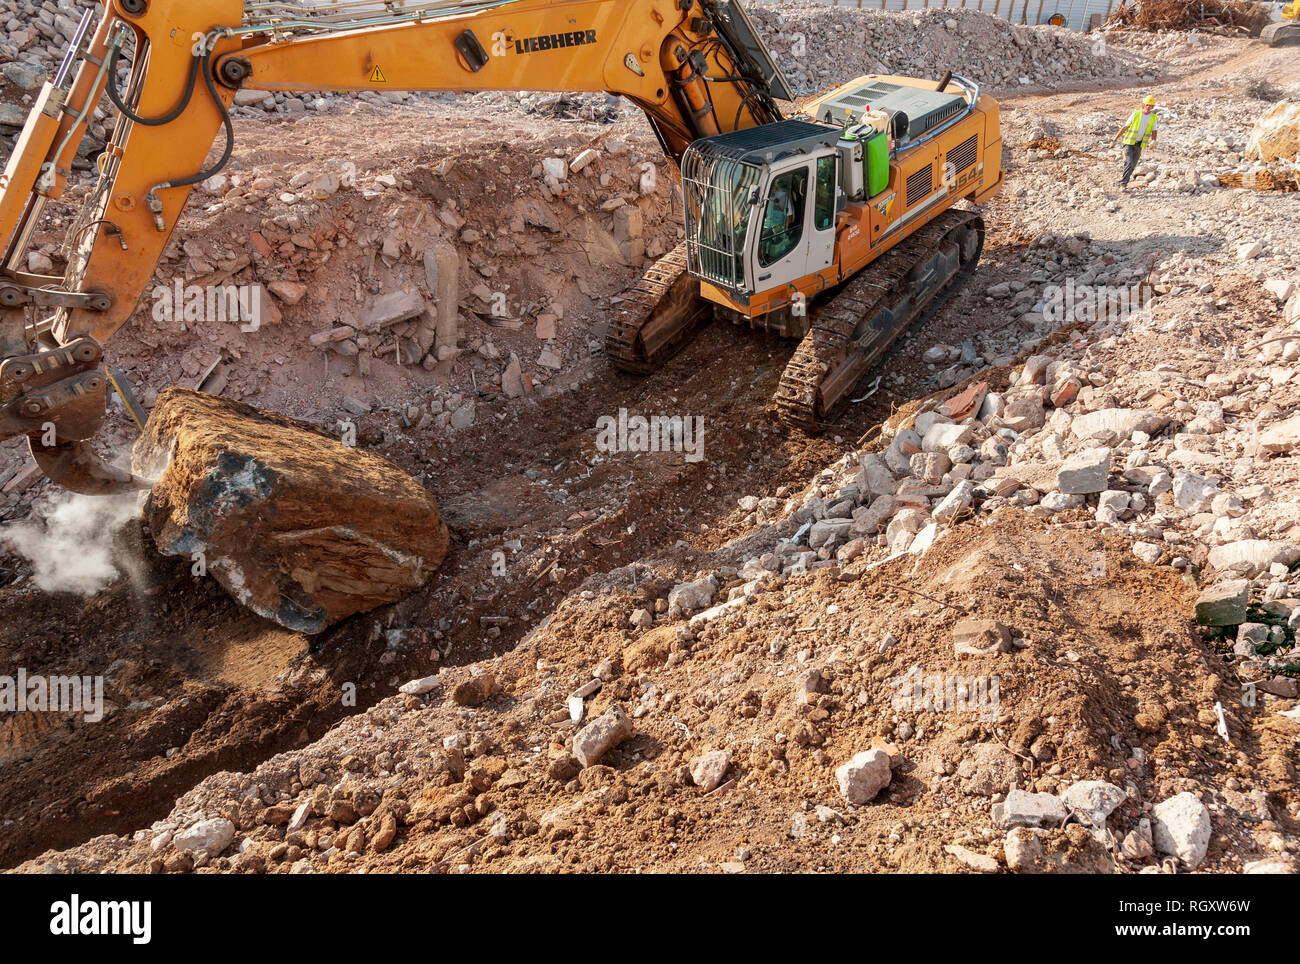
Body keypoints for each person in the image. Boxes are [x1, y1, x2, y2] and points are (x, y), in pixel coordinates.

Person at [1110, 95, 1159, 190]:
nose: (1149, 107)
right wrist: (1114, 140)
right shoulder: (1136, 114)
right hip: (1128, 143)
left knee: (1133, 164)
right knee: (1129, 162)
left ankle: (1123, 181)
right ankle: (1123, 184)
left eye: (1151, 105)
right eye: (1147, 105)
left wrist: (1153, 141)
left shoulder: (1153, 117)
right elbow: (1124, 127)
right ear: (1143, 105)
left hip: (1139, 144)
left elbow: (1154, 131)